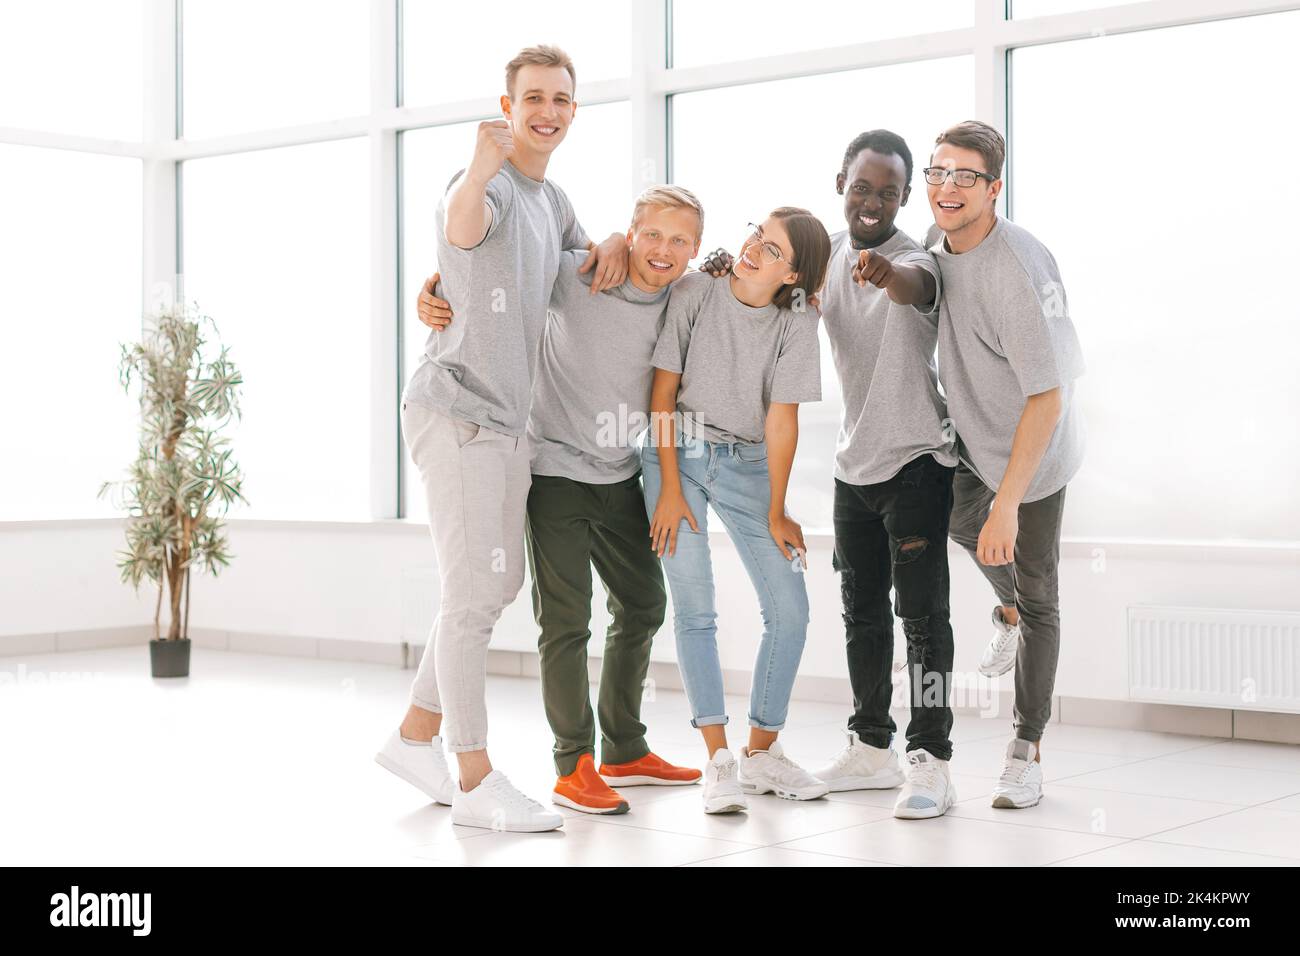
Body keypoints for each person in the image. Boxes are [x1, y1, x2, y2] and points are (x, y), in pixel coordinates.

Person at [374, 45, 629, 833]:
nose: (546, 111)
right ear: (507, 105)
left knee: (490, 586)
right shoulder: (481, 186)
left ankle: (416, 737)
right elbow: (462, 223)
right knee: (474, 600)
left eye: (560, 99)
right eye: (533, 99)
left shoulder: (552, 201)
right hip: (458, 412)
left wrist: (624, 241)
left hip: (506, 424)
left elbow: (588, 271)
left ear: (573, 111)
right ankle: (475, 776)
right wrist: (478, 170)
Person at [642, 208, 831, 814]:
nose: (753, 249)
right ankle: (718, 759)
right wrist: (670, 486)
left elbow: (783, 418)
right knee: (696, 611)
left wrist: (777, 508)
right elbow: (662, 393)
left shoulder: (798, 323)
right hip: (678, 455)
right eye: (756, 235)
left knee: (792, 611)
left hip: (750, 464)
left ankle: (761, 753)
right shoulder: (696, 292)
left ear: (794, 272)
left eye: (772, 249)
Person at [925, 120, 1086, 809]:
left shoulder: (1017, 268)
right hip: (974, 441)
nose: (948, 187)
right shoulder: (938, 243)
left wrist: (1010, 501)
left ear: (994, 188)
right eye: (938, 172)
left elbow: (1049, 395)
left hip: (1035, 452)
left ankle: (1026, 750)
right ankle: (1008, 610)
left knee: (1040, 593)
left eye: (966, 176)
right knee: (963, 526)